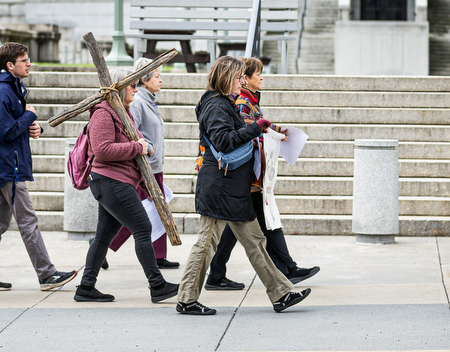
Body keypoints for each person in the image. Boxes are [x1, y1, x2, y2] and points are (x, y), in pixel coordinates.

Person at [176, 56, 310, 316]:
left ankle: (281, 293)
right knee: (206, 244)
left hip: (232, 189)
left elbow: (235, 134)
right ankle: (186, 299)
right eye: (238, 77)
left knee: (256, 241)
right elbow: (224, 141)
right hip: (220, 188)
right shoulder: (215, 105)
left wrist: (261, 129)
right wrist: (255, 129)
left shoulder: (224, 103)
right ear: (226, 77)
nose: (242, 81)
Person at [205, 57, 319, 291]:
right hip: (247, 172)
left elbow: (258, 125)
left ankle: (283, 269)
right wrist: (269, 133)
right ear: (242, 78)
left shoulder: (249, 101)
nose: (262, 77)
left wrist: (277, 131)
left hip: (252, 171)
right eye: (258, 73)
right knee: (242, 227)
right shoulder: (239, 102)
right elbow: (243, 134)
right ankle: (281, 273)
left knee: (252, 222)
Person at [0, 42, 76, 292]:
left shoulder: (13, 89)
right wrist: (30, 116)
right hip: (9, 167)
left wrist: (32, 127)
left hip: (9, 164)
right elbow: (5, 131)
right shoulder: (2, 93)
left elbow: (13, 127)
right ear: (10, 65)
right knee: (28, 221)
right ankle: (47, 274)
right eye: (24, 60)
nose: (29, 64)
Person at [74, 66, 180, 304]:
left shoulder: (123, 111)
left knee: (103, 237)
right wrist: (138, 147)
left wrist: (144, 157)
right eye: (132, 84)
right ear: (119, 86)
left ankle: (86, 287)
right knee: (143, 229)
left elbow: (129, 147)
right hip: (110, 181)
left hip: (115, 182)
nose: (136, 87)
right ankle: (158, 285)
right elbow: (102, 150)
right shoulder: (103, 112)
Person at [107, 57, 178, 269]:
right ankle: (103, 245)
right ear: (144, 80)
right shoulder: (138, 102)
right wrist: (146, 147)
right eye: (157, 76)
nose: (161, 80)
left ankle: (159, 255)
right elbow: (130, 132)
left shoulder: (149, 100)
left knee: (156, 209)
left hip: (154, 167)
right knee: (138, 215)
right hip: (142, 169)